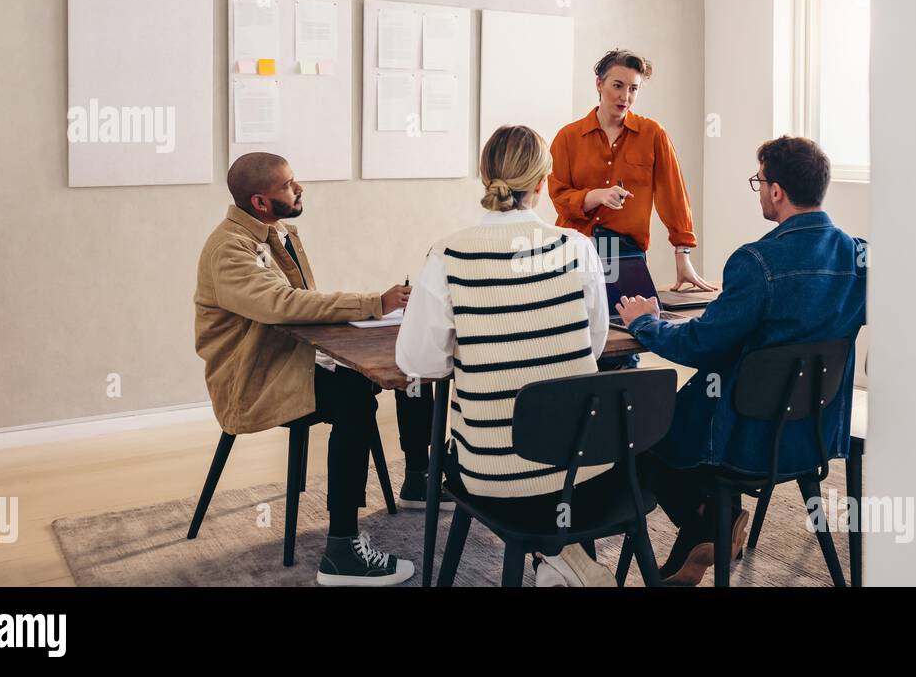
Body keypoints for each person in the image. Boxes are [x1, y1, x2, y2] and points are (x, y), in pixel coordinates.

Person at [614, 136, 868, 586]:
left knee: (639, 437)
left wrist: (645, 322)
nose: (760, 190)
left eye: (761, 181)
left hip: (744, 442)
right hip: (813, 435)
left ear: (776, 191)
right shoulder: (859, 257)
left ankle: (712, 516)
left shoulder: (757, 261)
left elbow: (698, 345)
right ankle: (710, 519)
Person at [194, 152, 434, 586]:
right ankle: (341, 551)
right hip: (254, 380)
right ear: (260, 201)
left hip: (293, 358)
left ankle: (419, 479)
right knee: (354, 400)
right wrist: (373, 304)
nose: (299, 188)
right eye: (288, 185)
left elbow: (300, 305)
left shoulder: (275, 233)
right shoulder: (229, 250)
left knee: (411, 366)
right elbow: (282, 305)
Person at [396, 125, 621, 587]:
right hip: (585, 473)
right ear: (543, 183)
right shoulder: (577, 249)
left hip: (493, 477)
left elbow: (419, 364)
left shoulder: (448, 255)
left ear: (485, 177)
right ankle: (560, 556)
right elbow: (591, 347)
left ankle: (555, 557)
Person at [547, 48, 717, 291]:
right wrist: (593, 196)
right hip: (574, 250)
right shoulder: (568, 137)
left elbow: (673, 196)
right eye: (618, 86)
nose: (625, 96)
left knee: (632, 323)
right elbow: (559, 196)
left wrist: (683, 253)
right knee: (574, 325)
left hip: (626, 254)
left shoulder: (653, 134)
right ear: (599, 84)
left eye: (633, 89)